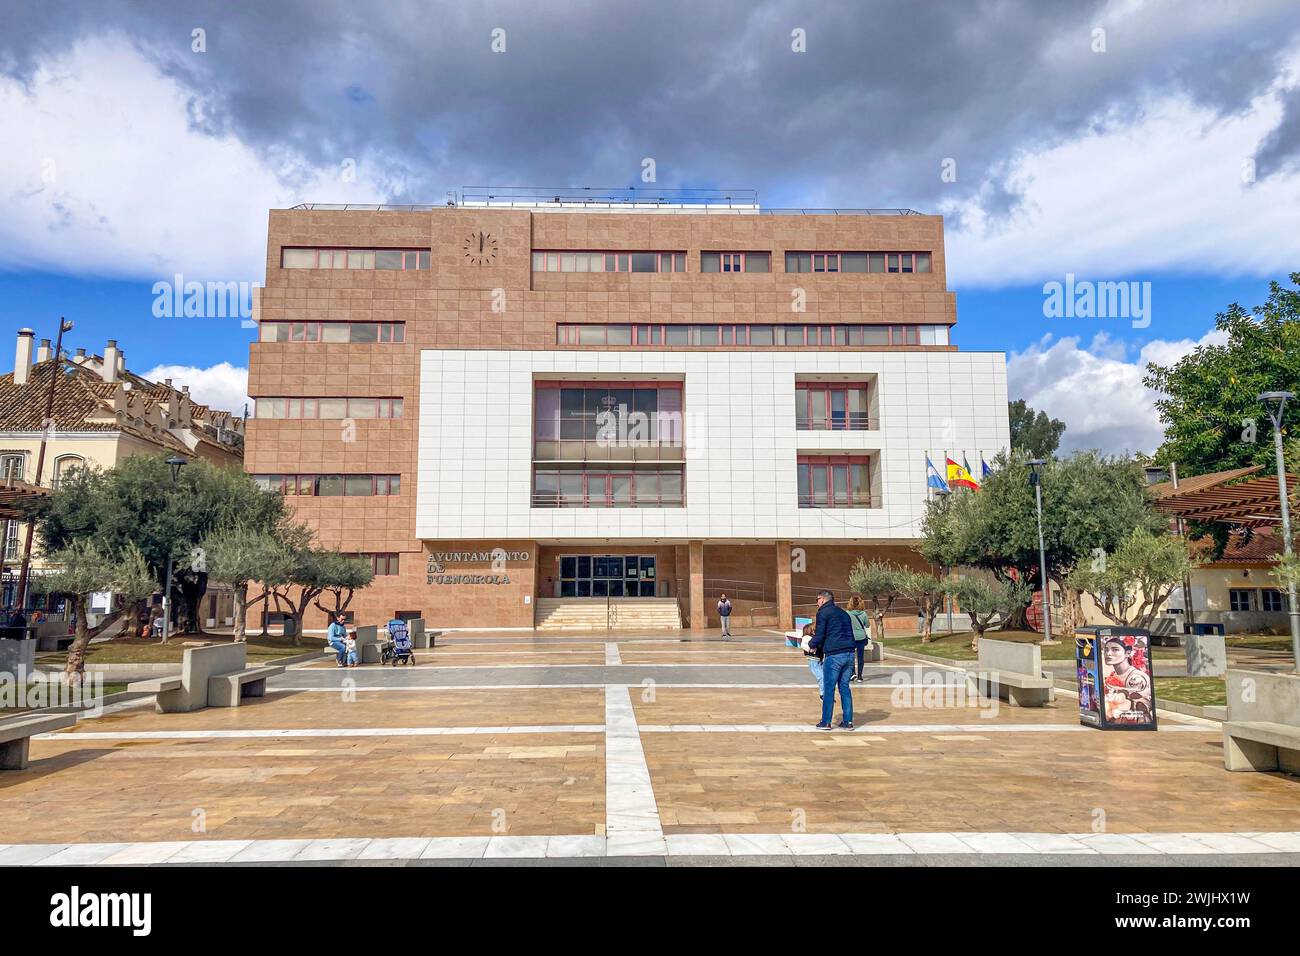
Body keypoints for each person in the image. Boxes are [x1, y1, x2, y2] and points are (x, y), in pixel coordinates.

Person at [809, 589, 855, 730]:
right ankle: (848, 722)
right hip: (849, 654)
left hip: (834, 655)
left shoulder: (823, 612)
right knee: (844, 688)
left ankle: (826, 721)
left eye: (817, 600)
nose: (817, 603)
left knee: (829, 688)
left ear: (822, 599)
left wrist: (812, 644)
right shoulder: (844, 613)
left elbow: (821, 633)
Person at [845, 593, 872, 683]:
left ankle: (852, 673)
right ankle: (860, 676)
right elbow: (867, 625)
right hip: (861, 637)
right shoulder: (863, 614)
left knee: (851, 656)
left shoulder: (847, 613)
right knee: (860, 657)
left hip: (850, 638)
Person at [800, 621, 823, 700]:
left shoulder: (813, 637)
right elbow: (803, 645)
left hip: (818, 659)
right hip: (813, 660)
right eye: (813, 629)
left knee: (823, 677)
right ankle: (822, 694)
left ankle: (825, 693)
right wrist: (810, 649)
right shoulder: (807, 637)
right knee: (821, 677)